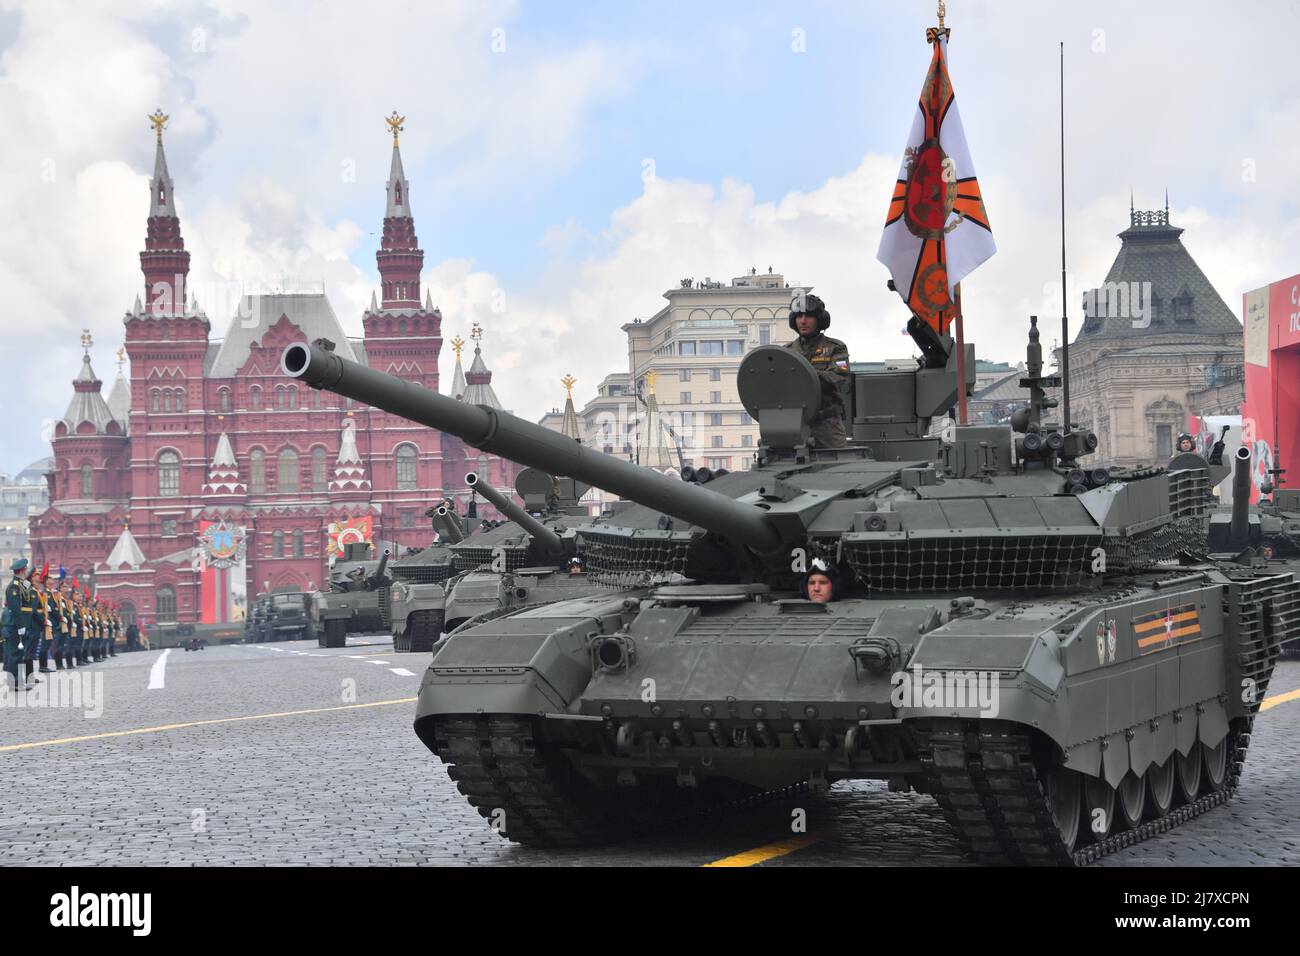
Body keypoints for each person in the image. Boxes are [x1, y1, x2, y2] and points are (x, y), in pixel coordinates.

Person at [784, 293, 850, 448]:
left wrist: (805, 376)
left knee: (838, 466)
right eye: (799, 316)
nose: (803, 321)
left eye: (809, 316)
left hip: (827, 425)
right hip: (794, 424)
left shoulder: (835, 347)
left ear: (820, 319)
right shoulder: (787, 352)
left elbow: (839, 378)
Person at [4, 557, 34, 690]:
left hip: (21, 624)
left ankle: (19, 682)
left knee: (19, 654)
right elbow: (16, 608)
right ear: (22, 570)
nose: (27, 571)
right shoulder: (13, 587)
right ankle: (13, 682)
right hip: (15, 625)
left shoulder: (22, 584)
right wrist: (21, 625)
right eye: (26, 569)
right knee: (15, 654)